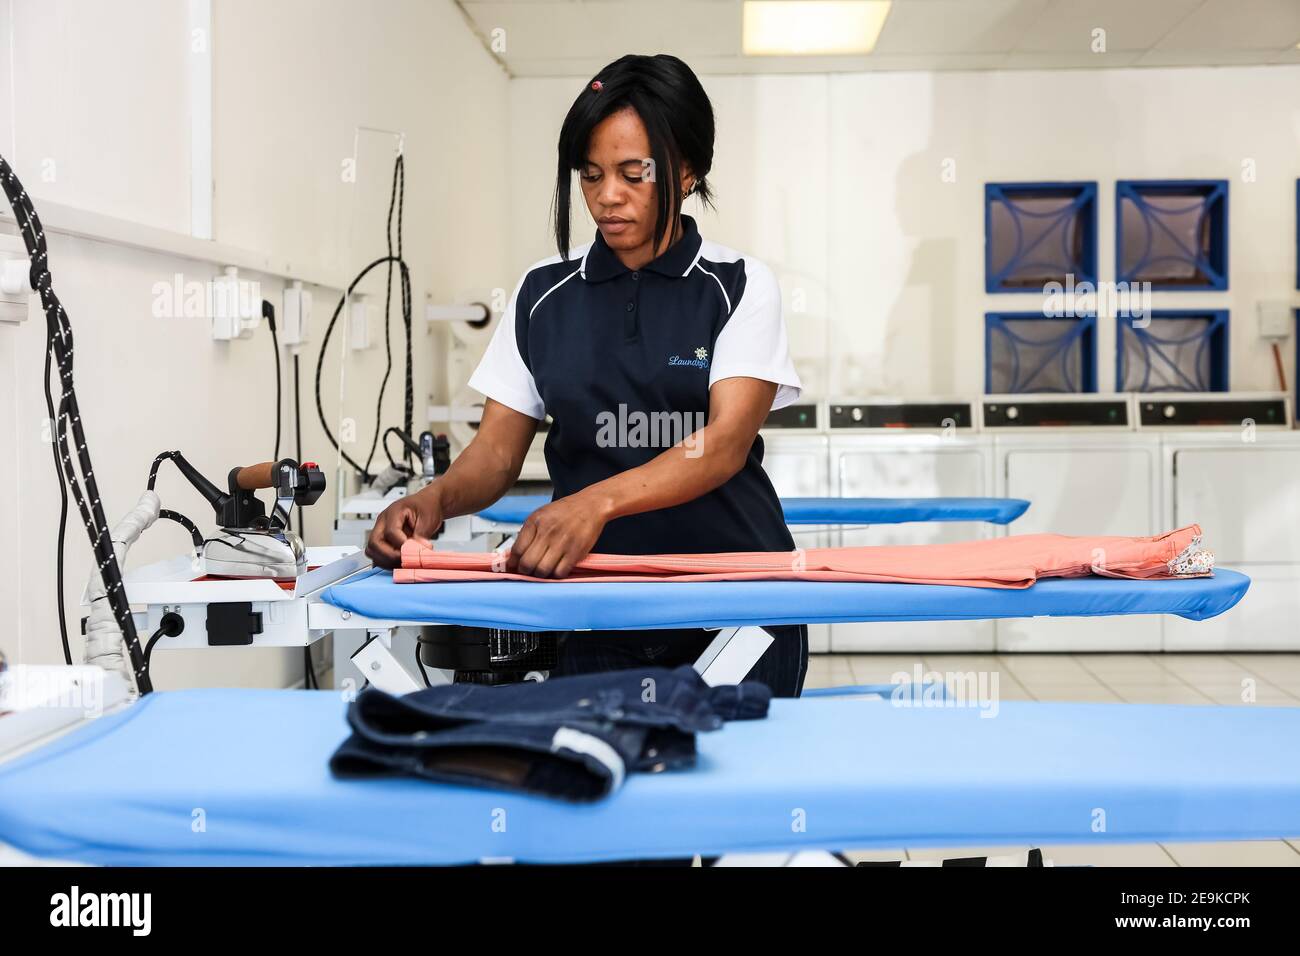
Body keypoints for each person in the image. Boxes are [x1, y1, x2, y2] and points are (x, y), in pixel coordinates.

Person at [367, 54, 806, 696]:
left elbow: (724, 443)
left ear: (686, 172)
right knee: (595, 780)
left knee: (730, 790)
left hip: (735, 603)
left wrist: (596, 502)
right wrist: (432, 500)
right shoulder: (544, 291)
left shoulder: (737, 285)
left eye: (634, 174)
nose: (606, 195)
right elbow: (494, 453)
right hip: (593, 606)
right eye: (592, 175)